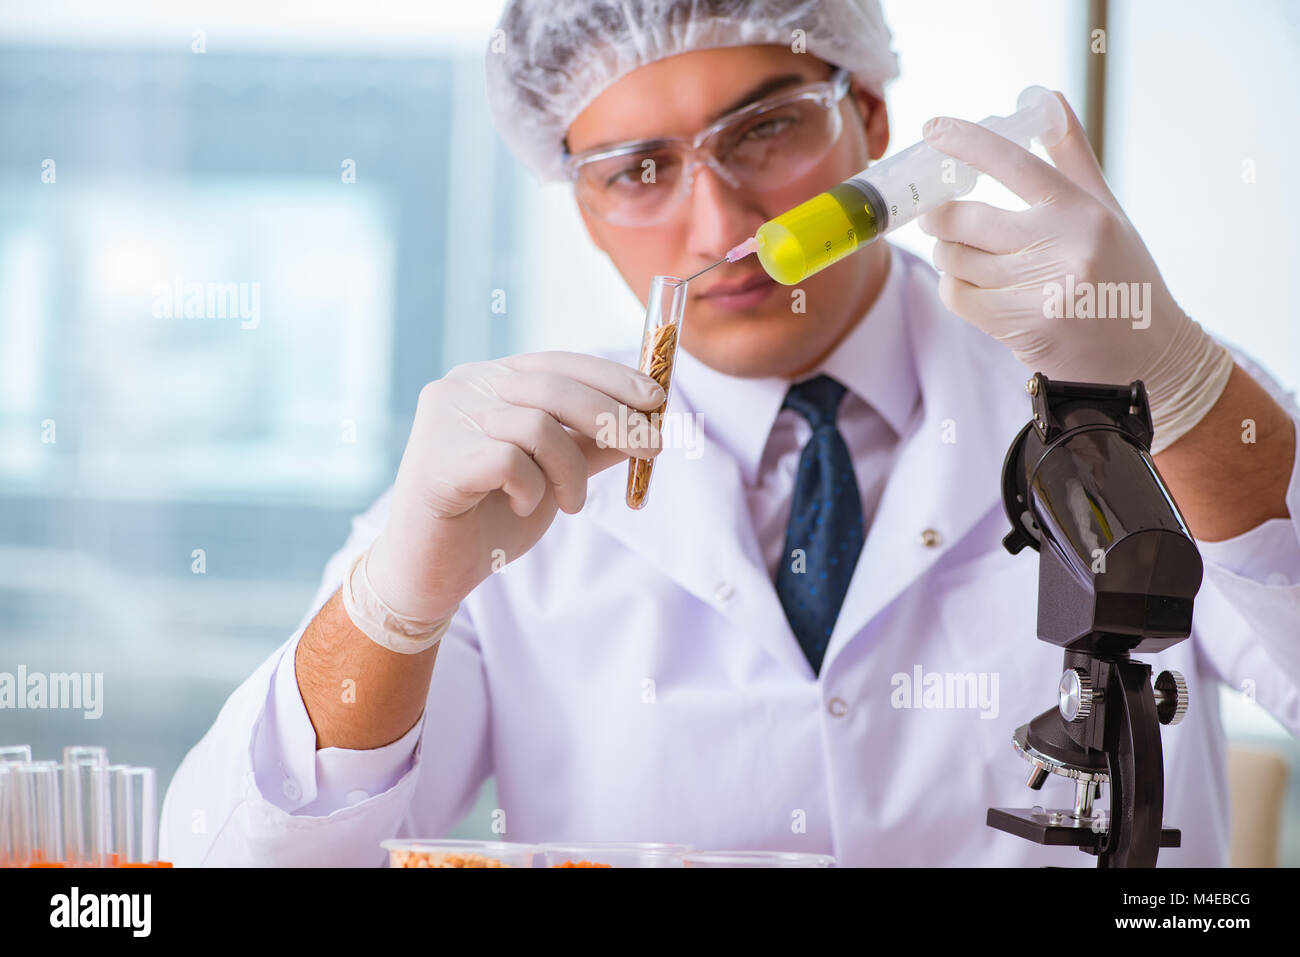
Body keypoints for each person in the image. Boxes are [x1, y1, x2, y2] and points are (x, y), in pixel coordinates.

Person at [161, 0, 1300, 866]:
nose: (719, 224)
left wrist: (1177, 376)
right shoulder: (504, 470)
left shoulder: (1132, 381)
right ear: (582, 207)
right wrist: (390, 606)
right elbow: (241, 859)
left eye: (763, 132)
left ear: (870, 121)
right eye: (639, 171)